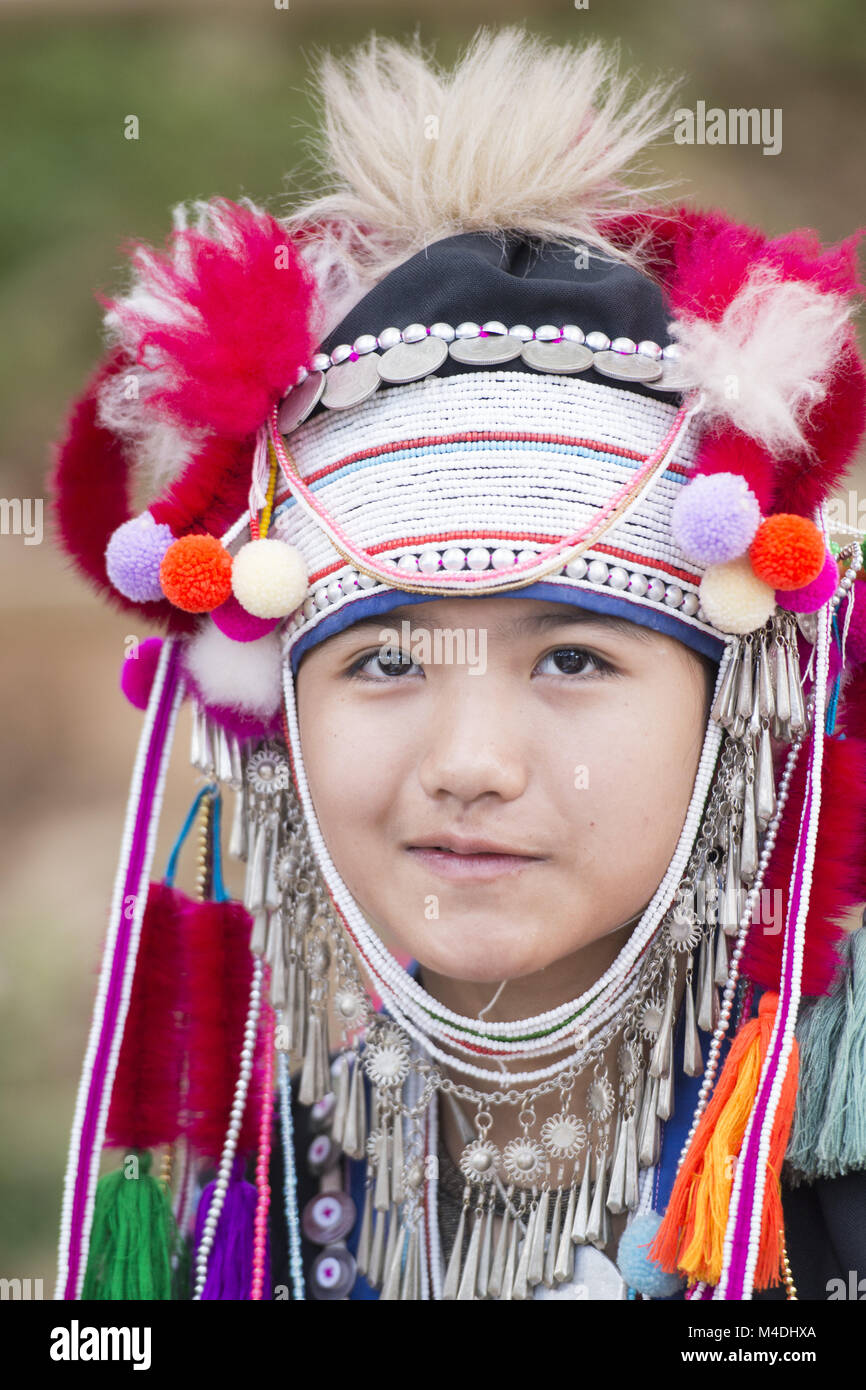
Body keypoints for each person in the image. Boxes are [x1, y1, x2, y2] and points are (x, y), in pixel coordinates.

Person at [49, 26, 866, 1302]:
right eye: (381, 659)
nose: (469, 764)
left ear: (732, 704)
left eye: (576, 659)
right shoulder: (247, 1219)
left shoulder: (831, 1180)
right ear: (278, 721)